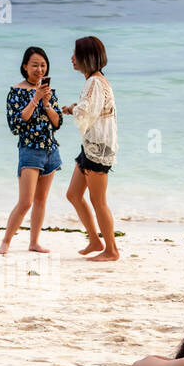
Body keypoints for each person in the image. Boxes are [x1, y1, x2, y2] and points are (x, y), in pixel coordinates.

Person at [0, 46, 63, 255]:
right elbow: (16, 124)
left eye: (43, 65)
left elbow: (57, 122)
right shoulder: (16, 92)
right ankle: (6, 242)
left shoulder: (50, 93)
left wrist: (46, 103)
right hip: (30, 150)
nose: (39, 69)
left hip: (50, 150)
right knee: (25, 201)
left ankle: (34, 242)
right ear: (25, 66)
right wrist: (35, 99)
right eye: (35, 65)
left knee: (41, 200)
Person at [61, 36, 120, 262]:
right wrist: (74, 108)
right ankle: (95, 240)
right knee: (73, 194)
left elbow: (88, 114)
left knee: (98, 201)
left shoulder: (95, 82)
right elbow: (92, 109)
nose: (72, 58)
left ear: (86, 57)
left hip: (99, 148)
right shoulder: (96, 81)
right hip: (91, 146)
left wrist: (75, 110)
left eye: (75, 54)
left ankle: (111, 250)